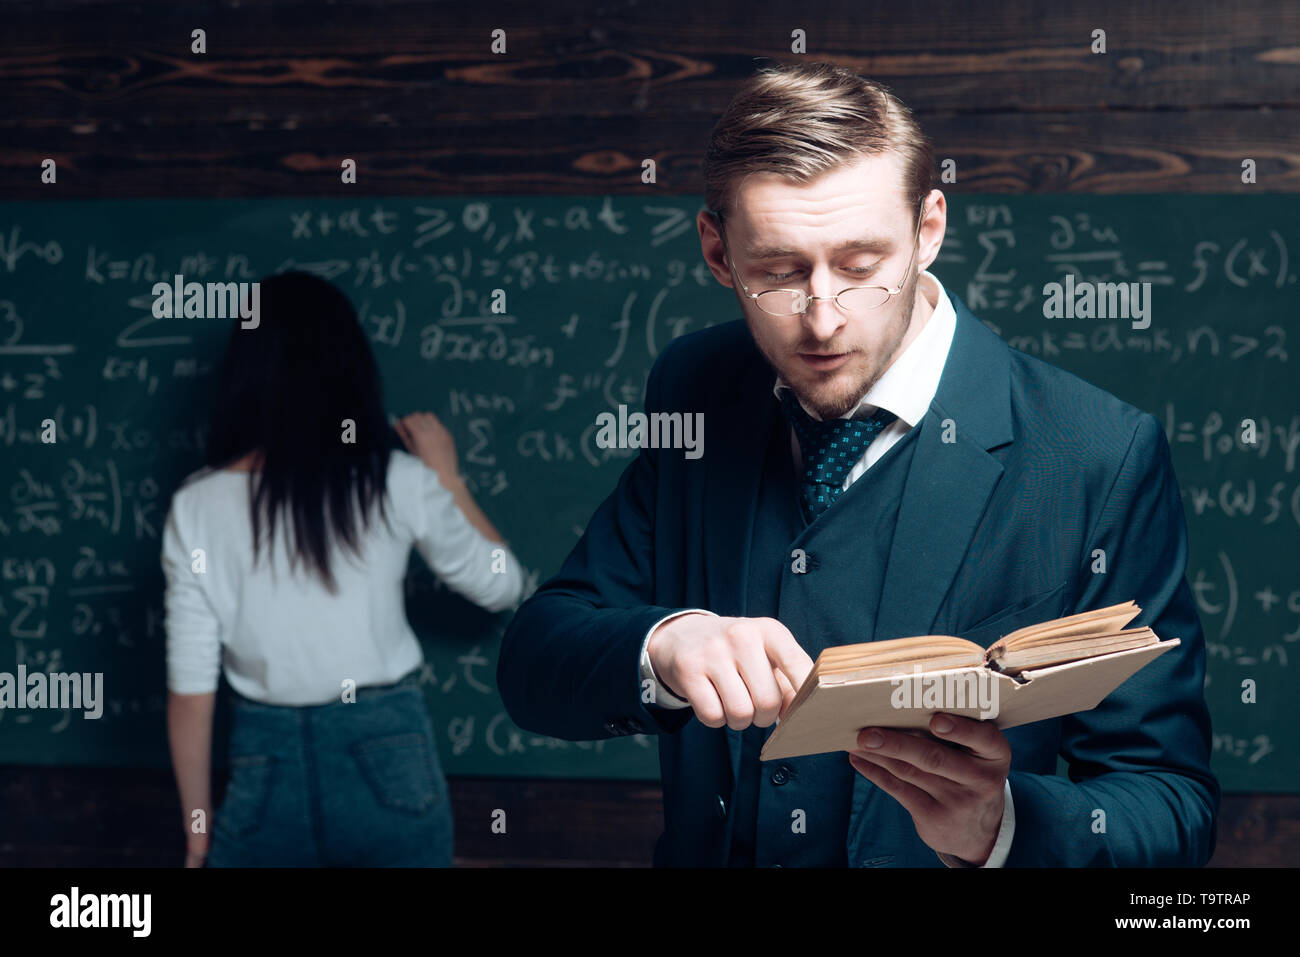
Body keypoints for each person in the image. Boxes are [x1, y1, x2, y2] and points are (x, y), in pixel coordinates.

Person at [498, 62, 1218, 867]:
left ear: (929, 230)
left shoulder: (1097, 453)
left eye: (860, 266)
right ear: (717, 252)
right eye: (778, 272)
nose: (822, 319)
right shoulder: (696, 385)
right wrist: (662, 646)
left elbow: (1170, 804)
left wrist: (999, 825)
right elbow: (535, 660)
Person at [163, 271, 524, 867]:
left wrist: (198, 838)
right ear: (349, 367)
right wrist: (448, 478)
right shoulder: (395, 482)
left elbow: (192, 692)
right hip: (387, 753)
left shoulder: (197, 506)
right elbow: (501, 584)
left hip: (262, 762)